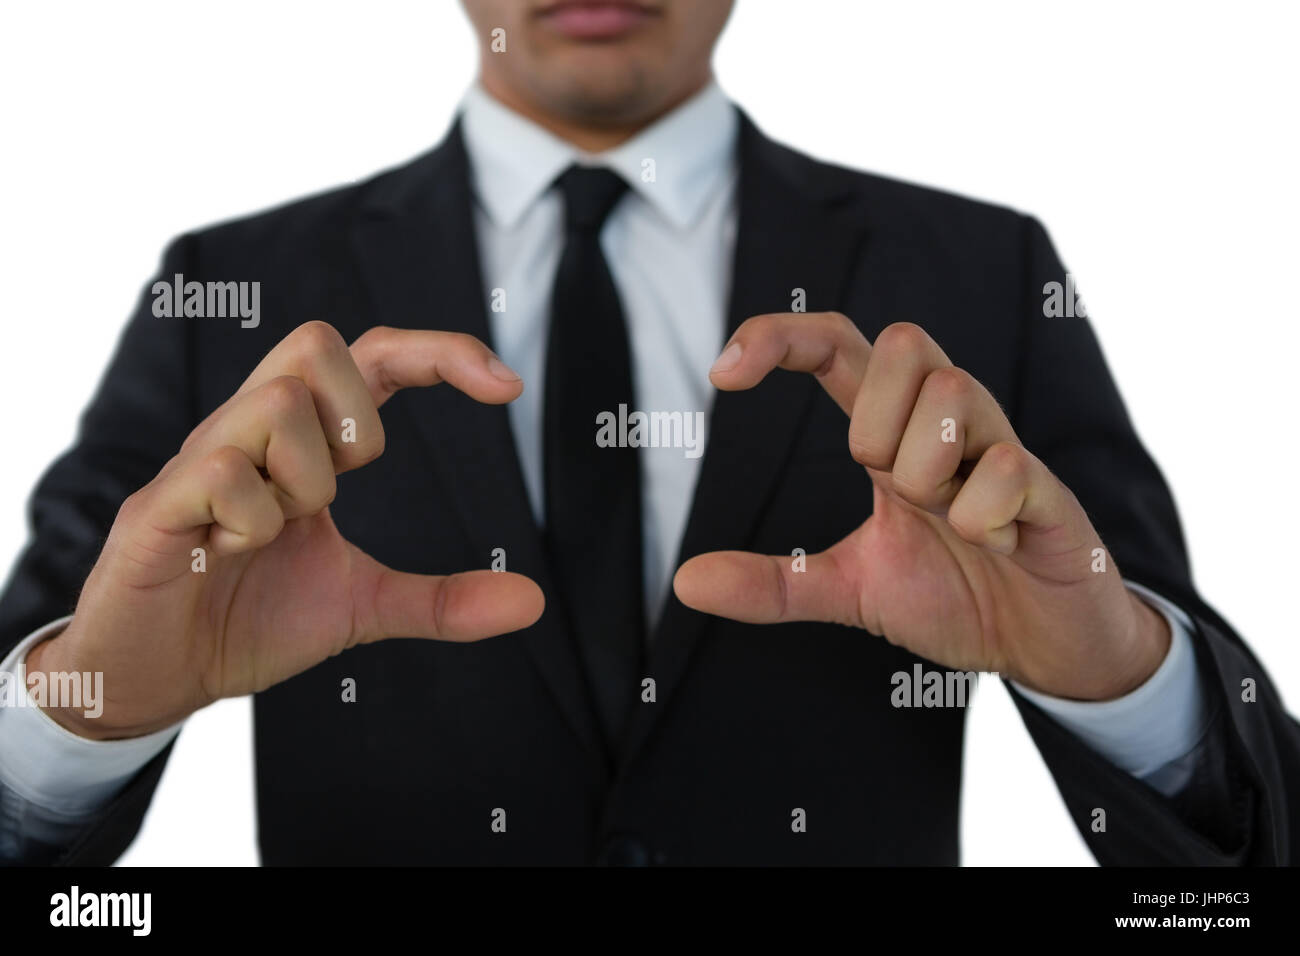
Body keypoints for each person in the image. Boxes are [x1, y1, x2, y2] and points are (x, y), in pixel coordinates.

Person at [0, 0, 1295, 865]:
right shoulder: (230, 279)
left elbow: (1253, 815)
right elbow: (45, 687)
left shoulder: (976, 264)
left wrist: (1119, 674)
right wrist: (91, 707)